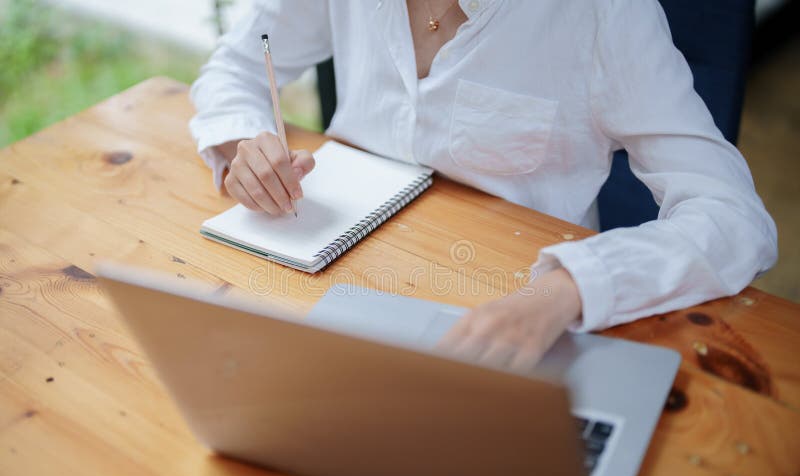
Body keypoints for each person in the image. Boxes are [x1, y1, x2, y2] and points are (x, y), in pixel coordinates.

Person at [189, 0, 777, 371]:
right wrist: (243, 145)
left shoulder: (602, 15)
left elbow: (731, 216)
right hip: (321, 288)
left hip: (504, 320)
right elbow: (237, 67)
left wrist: (568, 288)